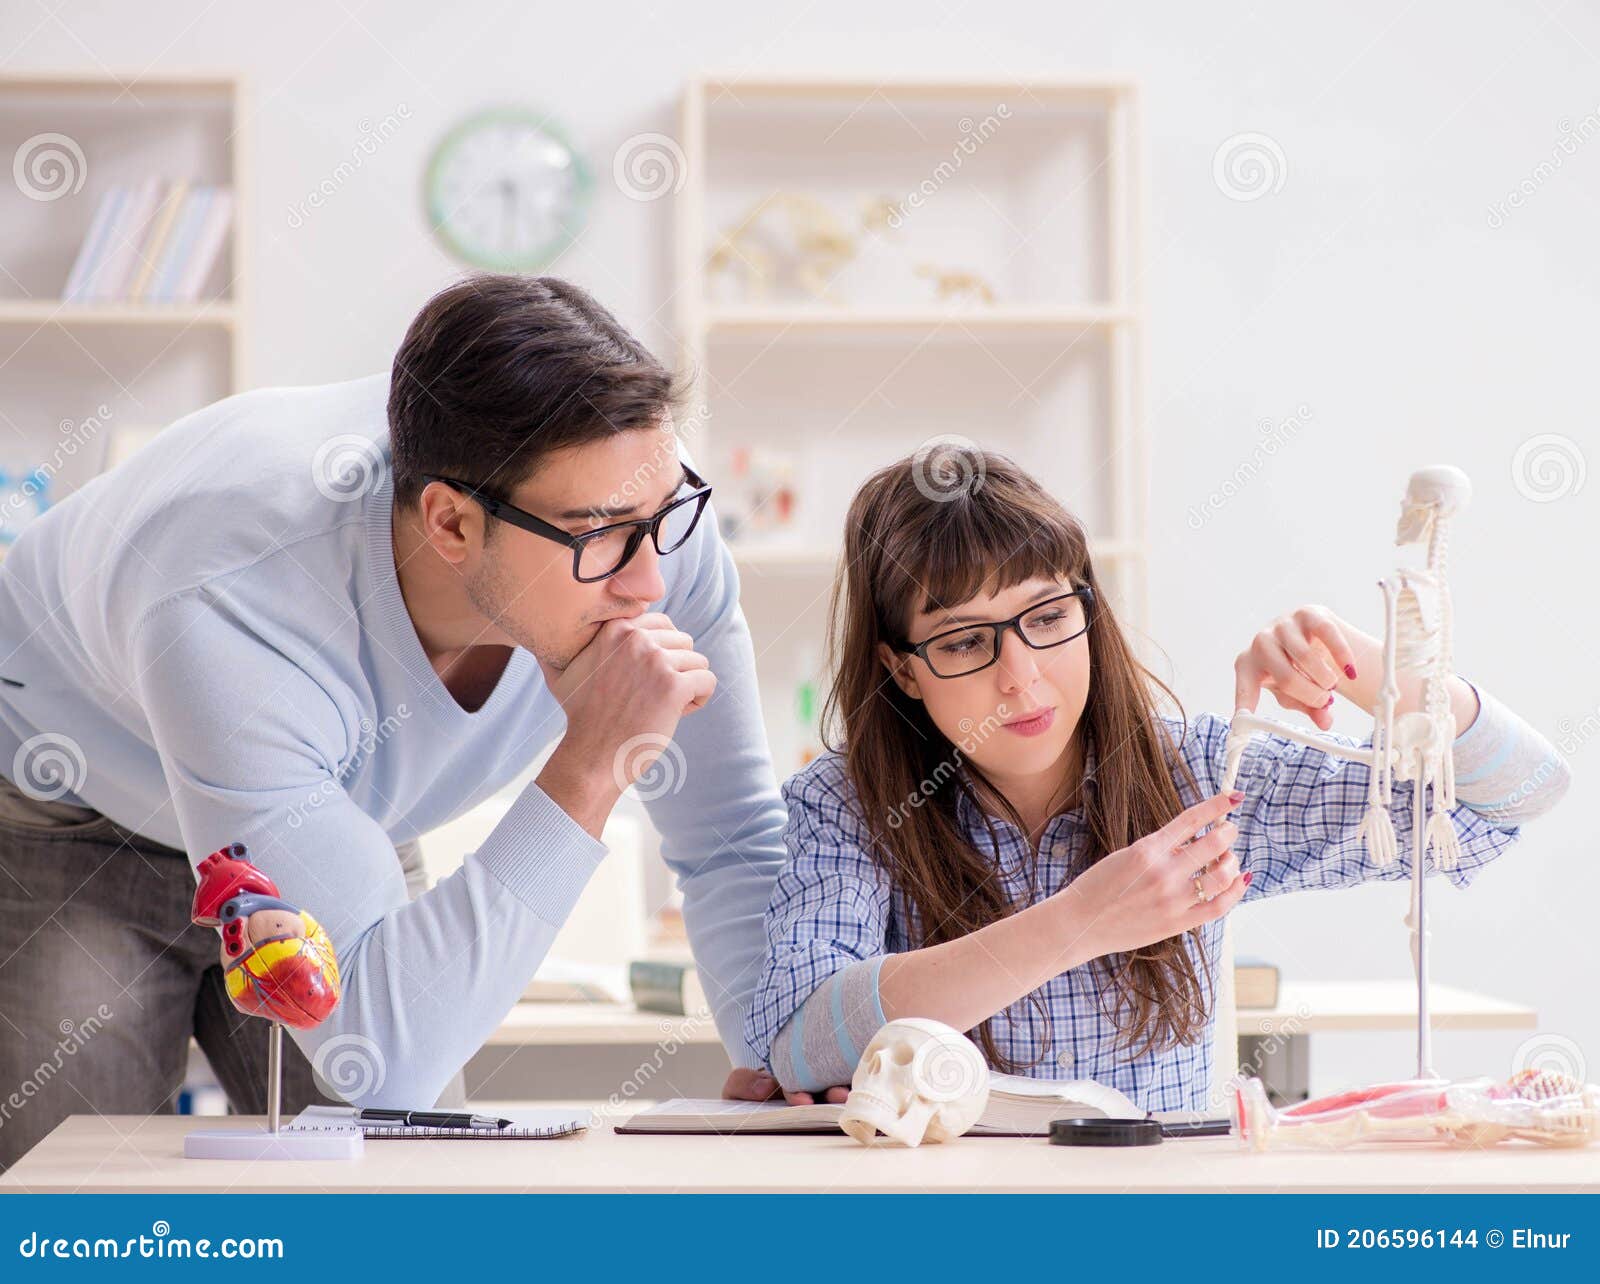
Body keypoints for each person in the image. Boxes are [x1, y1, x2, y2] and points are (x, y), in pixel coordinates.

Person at [0, 275, 787, 1171]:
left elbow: (729, 843)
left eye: (664, 513)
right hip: (78, 819)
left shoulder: (648, 529)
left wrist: (784, 1061)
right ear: (450, 523)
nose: (650, 582)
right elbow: (388, 1053)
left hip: (342, 815)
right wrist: (593, 763)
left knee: (401, 1181)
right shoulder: (232, 590)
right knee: (82, 1196)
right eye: (599, 534)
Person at [745, 449, 1569, 1112]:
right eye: (965, 642)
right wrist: (1081, 921)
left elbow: (1519, 794)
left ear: (1087, 610)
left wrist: (1361, 666)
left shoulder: (1199, 776)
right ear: (903, 668)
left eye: (1047, 618)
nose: (1022, 680)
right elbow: (800, 1040)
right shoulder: (844, 806)